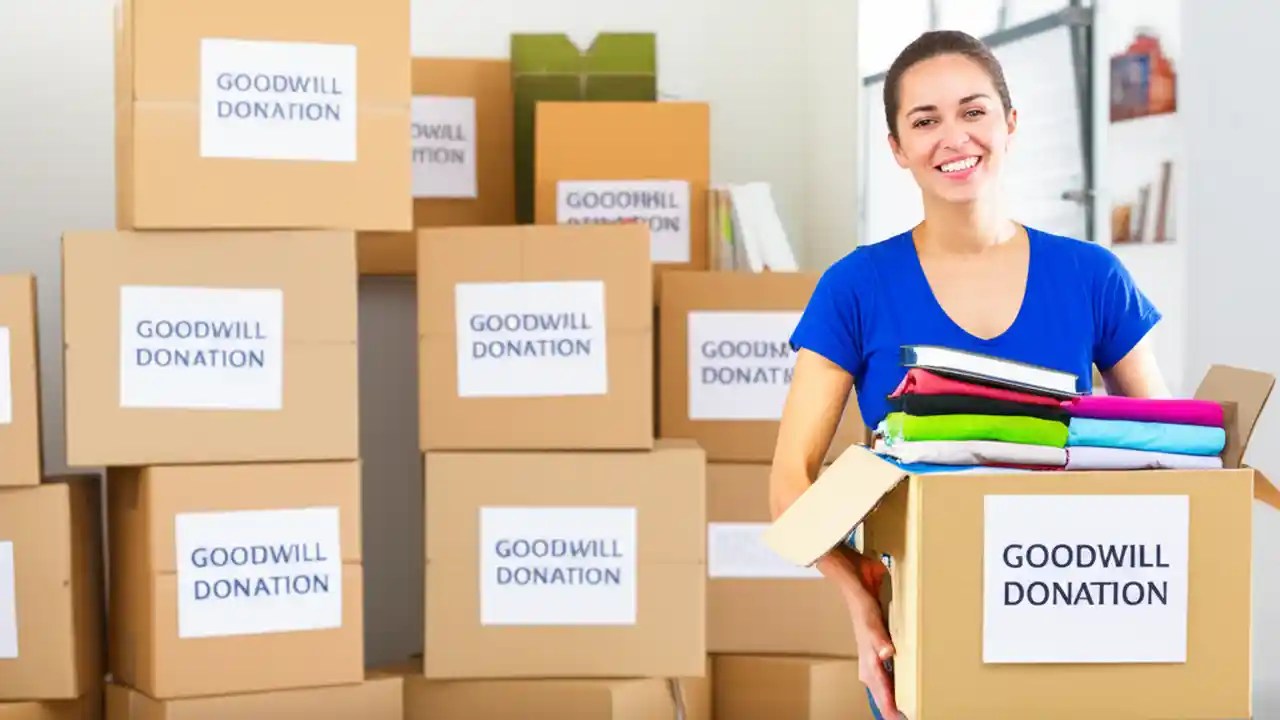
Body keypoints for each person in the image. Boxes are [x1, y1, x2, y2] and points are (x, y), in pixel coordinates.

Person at [768, 30, 1170, 720]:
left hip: (1078, 610)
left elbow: (1168, 454)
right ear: (897, 147)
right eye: (925, 121)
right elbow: (789, 483)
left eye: (974, 111)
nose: (954, 138)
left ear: (1010, 123)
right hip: (928, 627)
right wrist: (859, 601)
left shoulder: (1092, 276)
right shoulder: (855, 287)